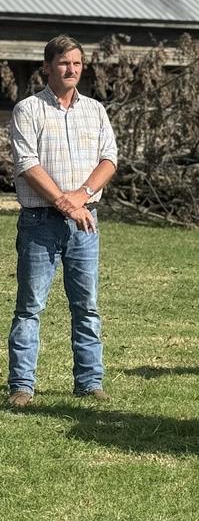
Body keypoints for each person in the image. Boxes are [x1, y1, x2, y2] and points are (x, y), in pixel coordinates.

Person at [7, 35, 118, 408]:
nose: (71, 70)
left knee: (86, 305)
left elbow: (109, 160)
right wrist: (65, 203)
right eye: (63, 63)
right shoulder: (28, 110)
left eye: (77, 63)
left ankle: (90, 382)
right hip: (40, 221)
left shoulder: (96, 110)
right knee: (30, 306)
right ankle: (22, 387)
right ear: (47, 67)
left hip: (85, 223)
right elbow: (27, 164)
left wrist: (81, 196)